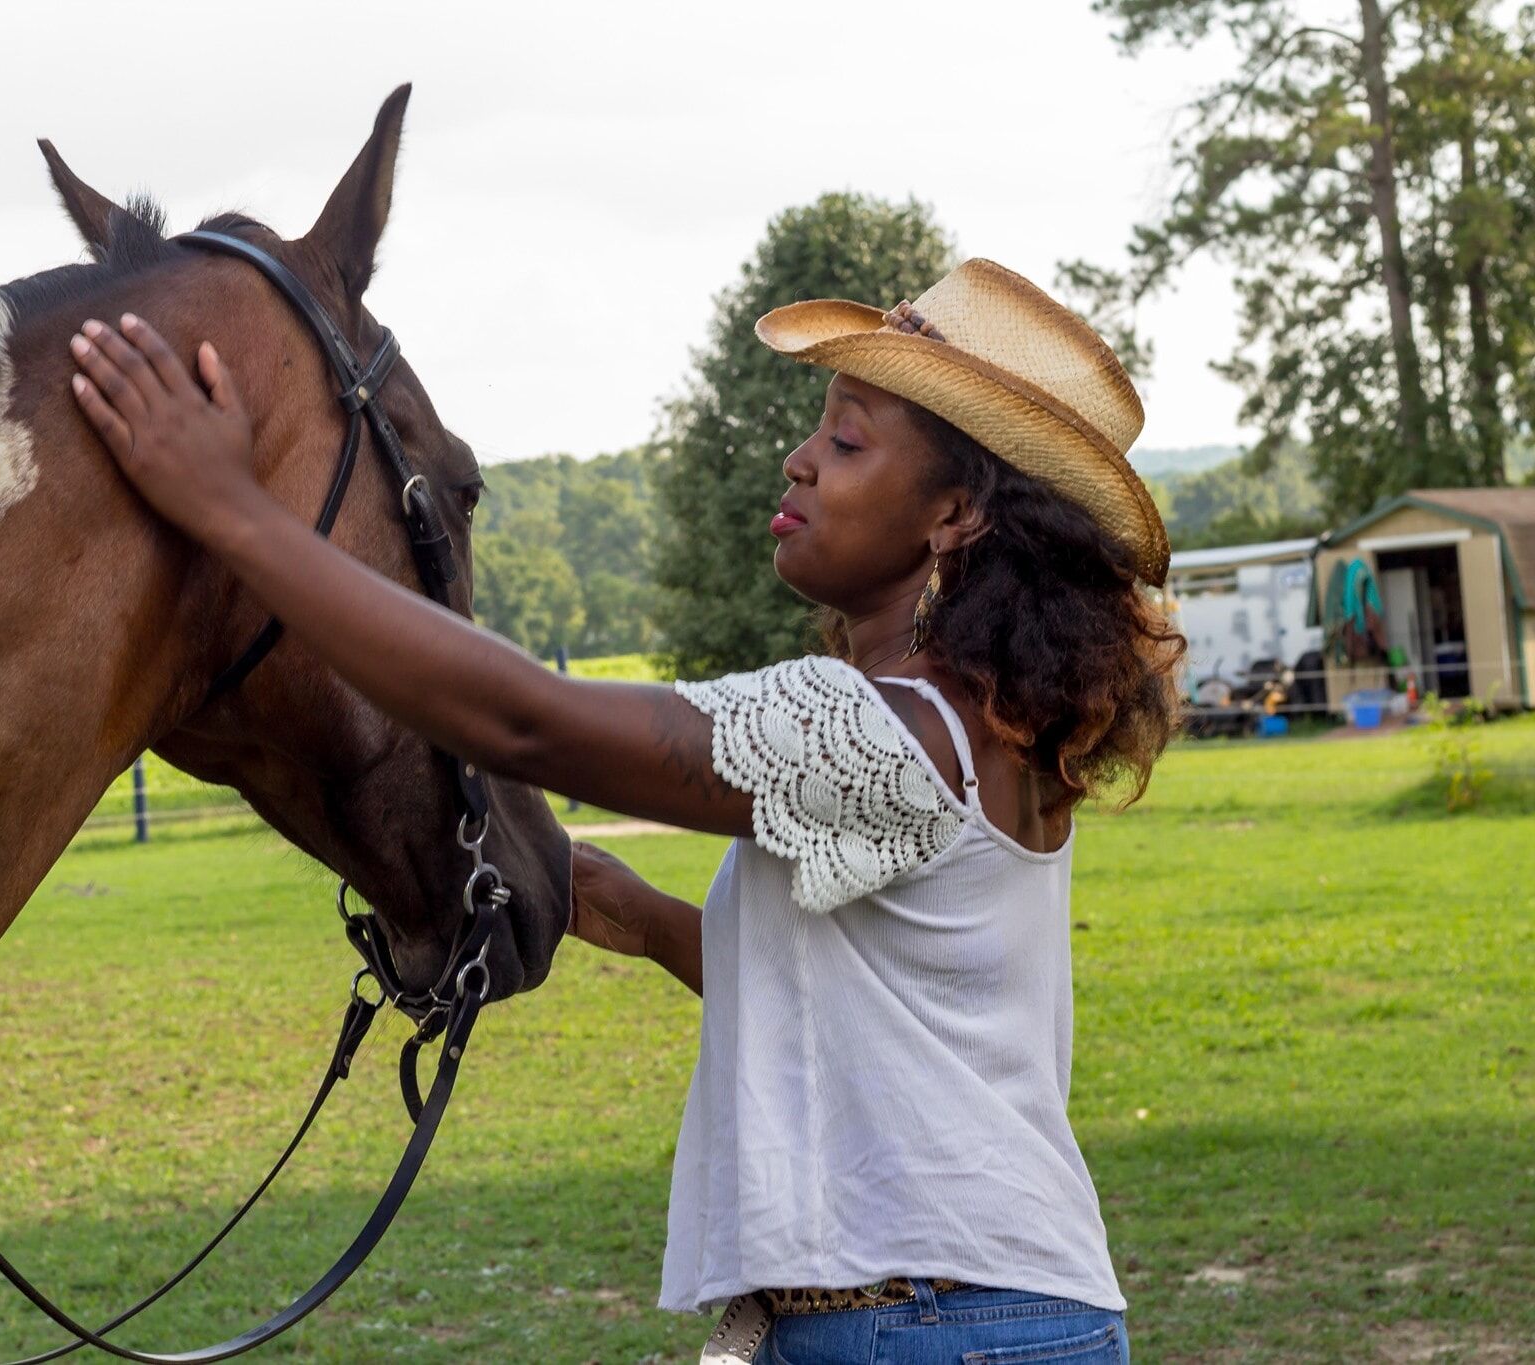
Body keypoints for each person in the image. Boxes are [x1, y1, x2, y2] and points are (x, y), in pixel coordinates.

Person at [68, 256, 1182, 1365]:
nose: (798, 458)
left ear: (954, 514)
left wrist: (236, 515)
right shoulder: (969, 729)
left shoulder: (889, 733)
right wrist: (642, 918)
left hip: (938, 1325)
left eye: (847, 442)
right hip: (953, 1317)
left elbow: (529, 722)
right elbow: (876, 1011)